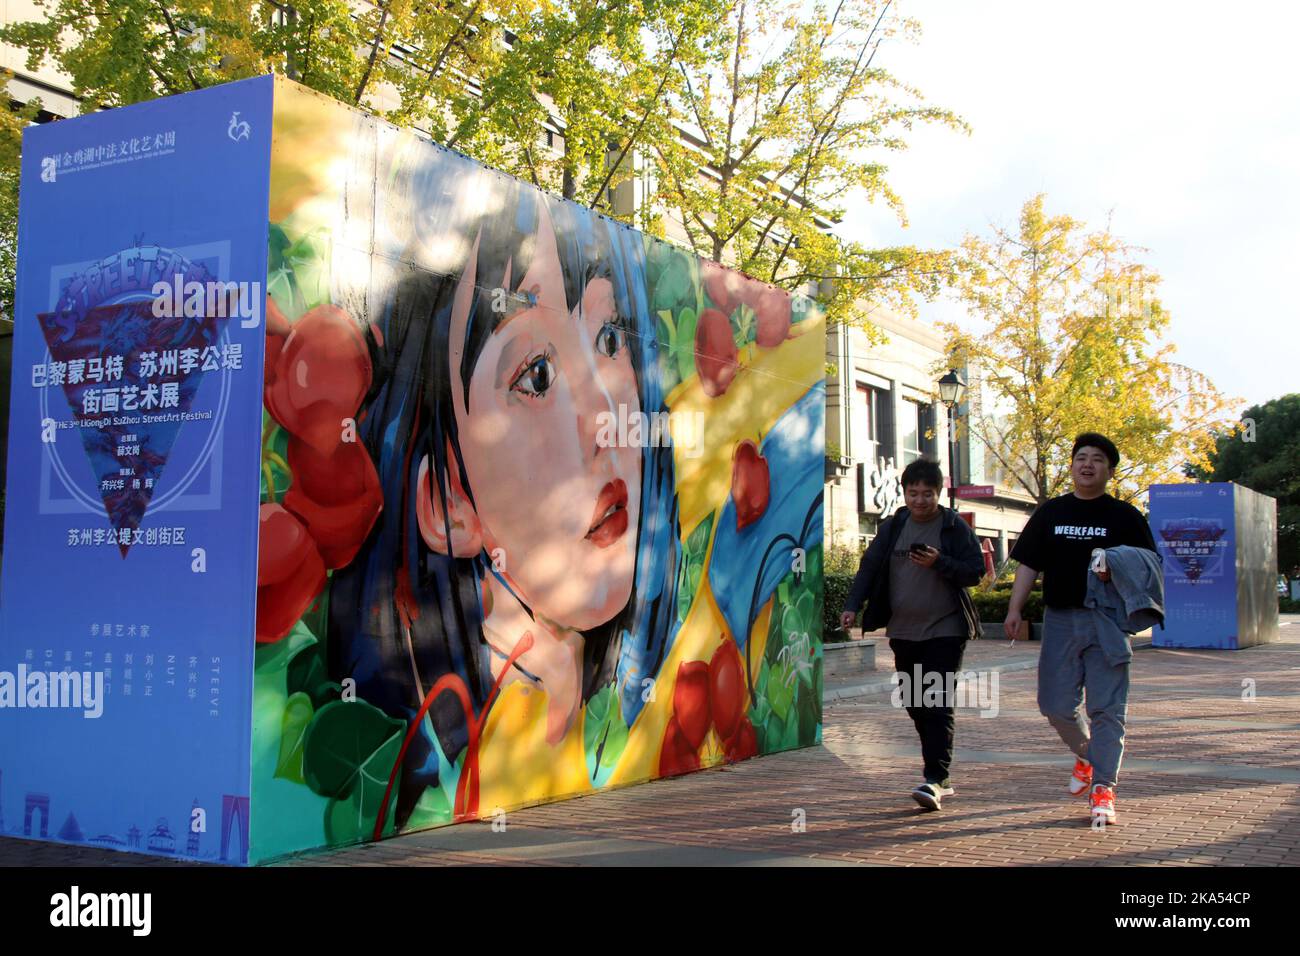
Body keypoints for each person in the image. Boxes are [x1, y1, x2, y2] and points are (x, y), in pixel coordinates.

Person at [327, 163, 682, 828]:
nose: (603, 413)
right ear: (445, 503)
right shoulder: (431, 768)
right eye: (537, 374)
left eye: (609, 338)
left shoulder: (630, 710)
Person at [1004, 432, 1156, 826]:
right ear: (1071, 466)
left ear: (1109, 470)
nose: (1088, 464)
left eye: (1098, 459)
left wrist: (1117, 565)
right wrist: (1014, 608)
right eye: (1081, 458)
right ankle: (1088, 755)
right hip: (1060, 619)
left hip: (1107, 621)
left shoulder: (1125, 517)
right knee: (1054, 705)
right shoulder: (1051, 513)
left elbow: (1149, 567)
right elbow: (1028, 564)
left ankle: (1104, 786)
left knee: (1107, 708)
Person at [840, 458, 984, 810]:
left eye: (928, 494)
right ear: (903, 492)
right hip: (903, 630)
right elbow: (869, 566)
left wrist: (940, 563)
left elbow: (975, 572)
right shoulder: (893, 526)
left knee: (935, 701)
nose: (920, 500)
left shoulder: (952, 527)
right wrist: (852, 605)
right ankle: (937, 770)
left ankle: (936, 777)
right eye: (913, 493)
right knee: (914, 701)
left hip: (946, 629)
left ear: (939, 494)